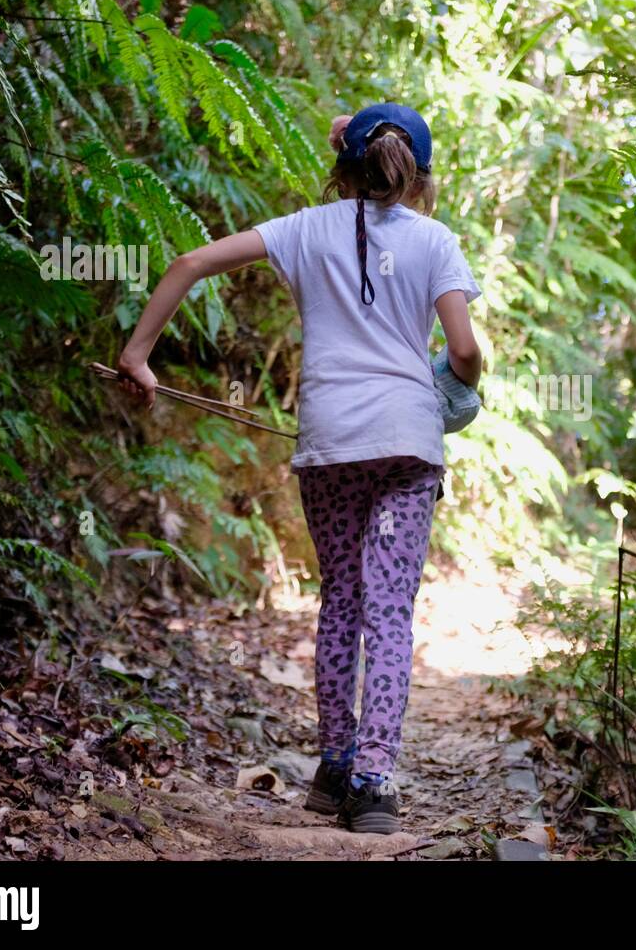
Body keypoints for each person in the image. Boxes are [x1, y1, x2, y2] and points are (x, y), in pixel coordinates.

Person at [115, 102, 483, 835]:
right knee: (388, 609)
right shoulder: (436, 241)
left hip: (331, 444)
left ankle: (335, 766)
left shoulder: (302, 230)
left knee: (342, 602)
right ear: (419, 179)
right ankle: (374, 784)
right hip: (408, 444)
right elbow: (465, 351)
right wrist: (467, 378)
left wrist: (137, 356)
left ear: (343, 167)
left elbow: (189, 262)